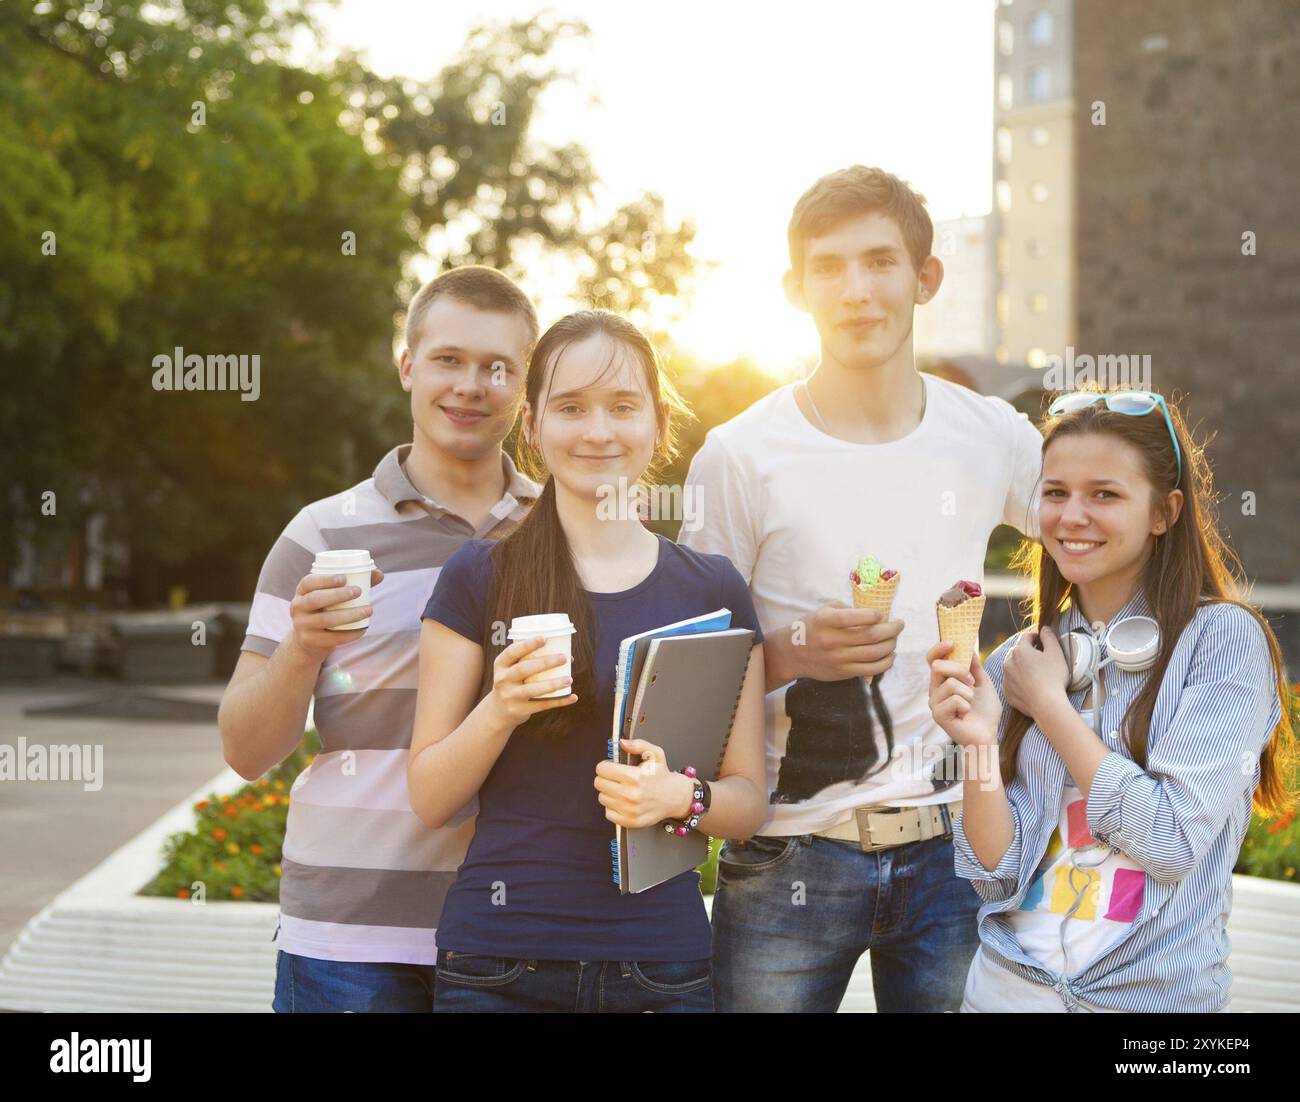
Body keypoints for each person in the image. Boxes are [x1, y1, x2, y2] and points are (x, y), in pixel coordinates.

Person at [678, 164, 1046, 1012]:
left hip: (953, 848)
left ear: (925, 279)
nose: (856, 290)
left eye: (880, 262)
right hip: (788, 854)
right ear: (794, 289)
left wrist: (1054, 669)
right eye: (830, 267)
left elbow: (1095, 535)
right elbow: (690, 670)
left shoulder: (990, 433)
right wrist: (790, 651)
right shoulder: (738, 456)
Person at [409, 310, 768, 1013]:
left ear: (658, 425)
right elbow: (430, 799)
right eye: (571, 408)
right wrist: (500, 710)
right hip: (497, 964)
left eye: (622, 407)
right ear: (533, 426)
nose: (598, 431)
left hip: (661, 970)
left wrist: (683, 800)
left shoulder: (712, 588)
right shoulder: (477, 577)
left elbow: (749, 801)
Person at [219, 267, 543, 1012]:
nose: (471, 385)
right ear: (407, 367)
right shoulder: (320, 536)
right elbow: (245, 752)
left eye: (498, 367)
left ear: (525, 386)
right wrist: (301, 646)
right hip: (347, 940)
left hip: (520, 934)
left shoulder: (560, 533)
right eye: (448, 360)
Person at [927, 390, 1296, 1012]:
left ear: (1164, 511)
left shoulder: (1222, 640)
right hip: (1005, 995)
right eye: (1055, 492)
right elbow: (997, 873)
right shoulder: (1020, 660)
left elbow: (1171, 840)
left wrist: (1053, 710)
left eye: (1105, 494)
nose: (1073, 515)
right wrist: (980, 744)